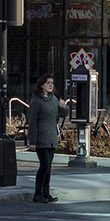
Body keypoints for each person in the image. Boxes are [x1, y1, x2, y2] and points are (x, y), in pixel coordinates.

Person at [27, 73, 67, 204]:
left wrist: (64, 108)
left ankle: (46, 192)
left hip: (51, 137)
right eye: (48, 83)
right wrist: (32, 141)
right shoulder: (36, 101)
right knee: (44, 165)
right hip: (40, 138)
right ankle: (37, 194)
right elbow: (32, 122)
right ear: (41, 85)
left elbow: (60, 115)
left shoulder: (53, 99)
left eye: (52, 83)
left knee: (49, 167)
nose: (51, 85)